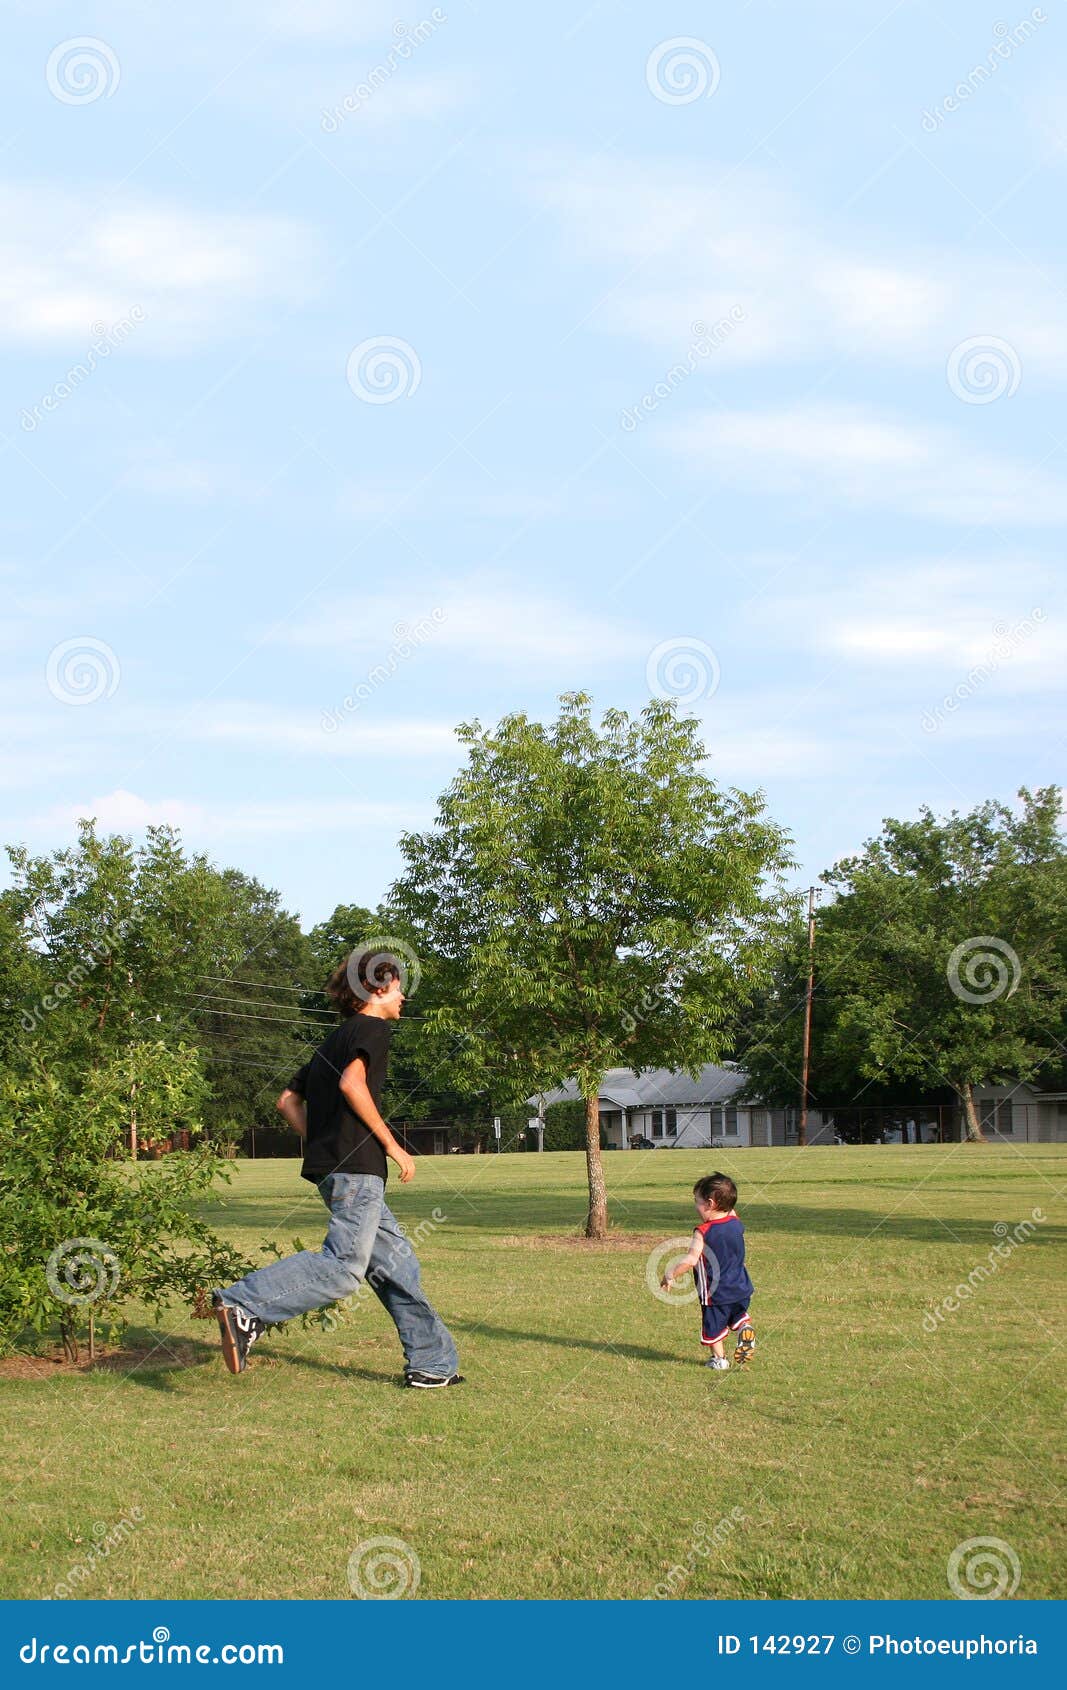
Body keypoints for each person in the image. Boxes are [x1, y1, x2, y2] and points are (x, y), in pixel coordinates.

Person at [213, 955, 463, 1389]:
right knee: (345, 1268)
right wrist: (391, 1145)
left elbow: (287, 1101)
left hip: (335, 1168)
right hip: (358, 1170)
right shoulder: (373, 1028)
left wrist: (324, 1141)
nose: (403, 996)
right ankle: (244, 1306)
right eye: (399, 987)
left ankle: (432, 1364)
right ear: (377, 989)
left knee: (397, 1267)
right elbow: (352, 1084)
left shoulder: (333, 1040)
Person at [660, 1172, 755, 1370]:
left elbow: (690, 1259)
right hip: (741, 1287)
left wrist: (670, 1274)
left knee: (713, 1327)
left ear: (710, 1204)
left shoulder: (703, 1231)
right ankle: (744, 1328)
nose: (696, 1207)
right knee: (736, 1313)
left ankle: (719, 1360)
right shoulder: (736, 1223)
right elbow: (731, 1210)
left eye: (698, 1201)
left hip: (715, 1293)